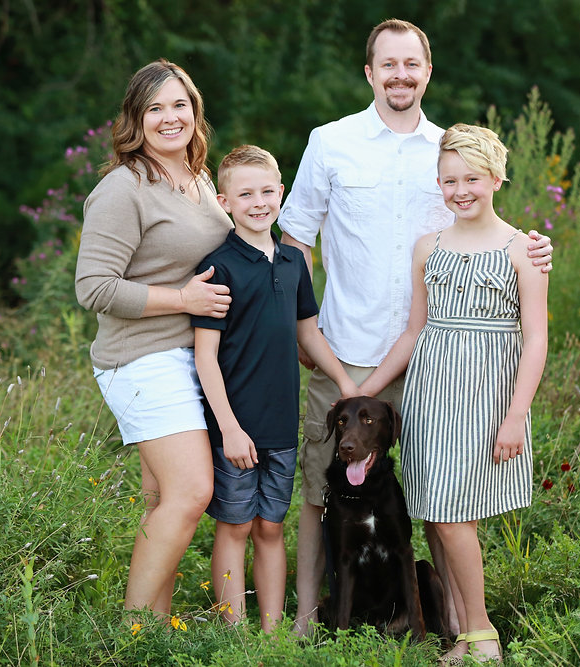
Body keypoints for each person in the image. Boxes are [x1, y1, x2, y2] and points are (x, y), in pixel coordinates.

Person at [278, 19, 554, 637]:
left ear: (428, 71)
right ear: (369, 72)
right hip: (344, 351)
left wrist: (535, 249)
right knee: (324, 489)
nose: (400, 75)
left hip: (434, 364)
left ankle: (454, 624)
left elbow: (483, 225)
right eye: (388, 64)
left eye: (412, 64)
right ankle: (306, 616)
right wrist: (303, 329)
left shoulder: (448, 151)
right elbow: (295, 239)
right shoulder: (331, 141)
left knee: (436, 497)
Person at [359, 123, 547, 662]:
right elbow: (415, 330)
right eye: (448, 181)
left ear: (496, 178)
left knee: (451, 514)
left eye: (472, 178)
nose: (460, 190)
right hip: (431, 396)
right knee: (436, 511)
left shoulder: (522, 250)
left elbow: (536, 339)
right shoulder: (428, 247)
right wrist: (363, 393)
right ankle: (460, 627)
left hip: (486, 400)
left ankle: (482, 634)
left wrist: (515, 416)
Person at [74, 59, 234, 617]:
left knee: (165, 500)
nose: (170, 118)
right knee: (192, 493)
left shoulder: (199, 179)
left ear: (195, 112)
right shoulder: (124, 188)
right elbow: (93, 287)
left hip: (193, 356)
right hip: (140, 359)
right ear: (134, 121)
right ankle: (133, 631)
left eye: (179, 105)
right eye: (154, 109)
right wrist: (182, 301)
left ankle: (157, 630)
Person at [192, 145, 359, 632]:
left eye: (267, 191)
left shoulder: (292, 262)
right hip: (237, 427)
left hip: (282, 424)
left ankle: (269, 635)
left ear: (282, 193)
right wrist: (229, 429)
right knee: (236, 525)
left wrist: (346, 382)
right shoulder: (218, 268)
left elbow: (308, 333)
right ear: (225, 201)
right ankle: (232, 634)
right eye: (245, 194)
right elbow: (205, 357)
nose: (258, 202)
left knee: (270, 526)